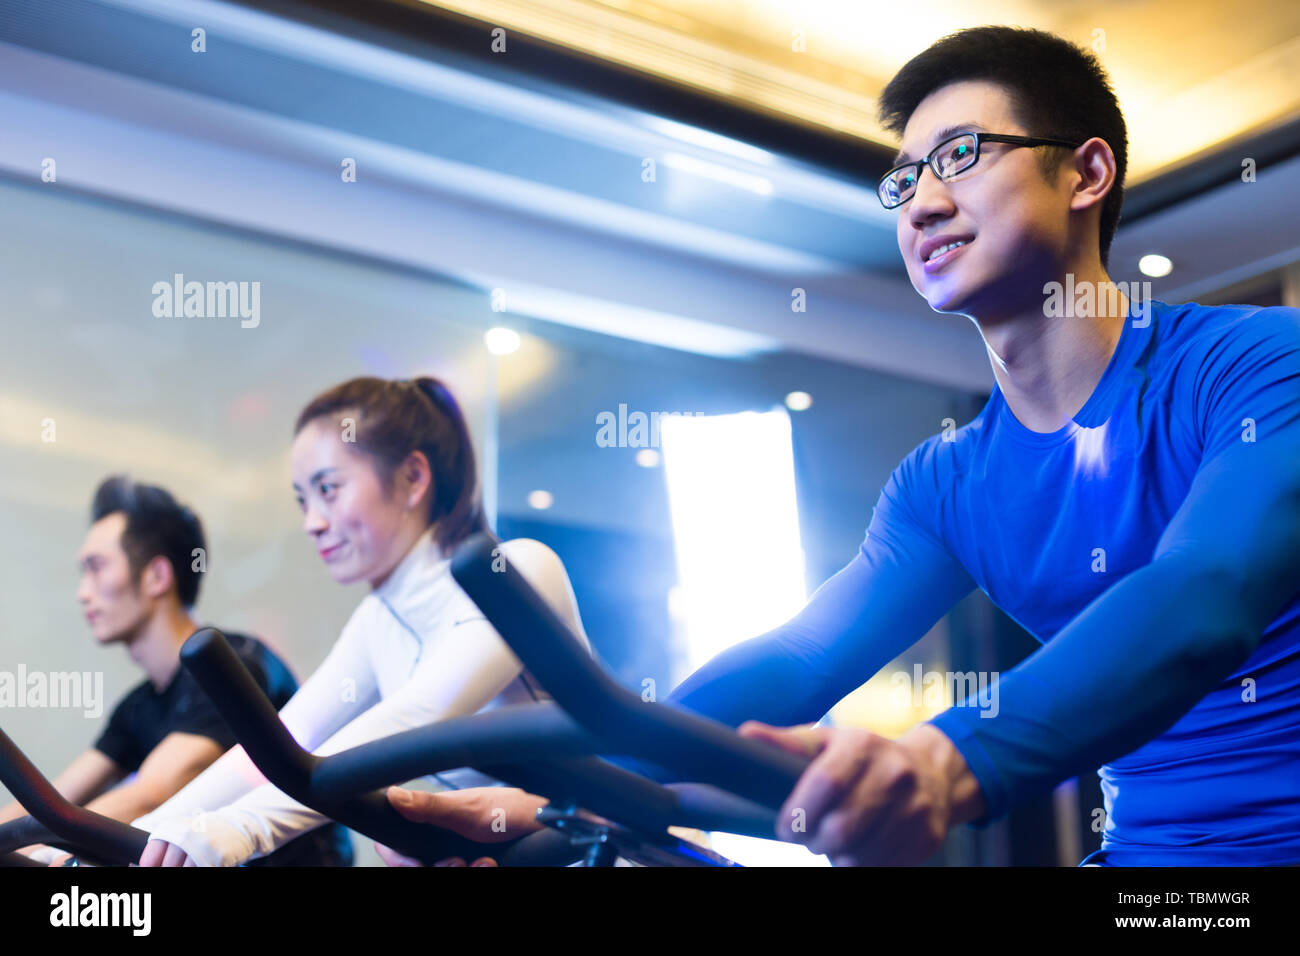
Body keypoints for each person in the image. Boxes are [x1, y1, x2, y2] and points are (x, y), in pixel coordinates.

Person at [374, 25, 1300, 867]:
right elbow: (800, 659)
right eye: (903, 181)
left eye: (962, 156)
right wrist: (556, 794)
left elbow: (1203, 593)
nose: (921, 204)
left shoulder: (1257, 367)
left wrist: (945, 763)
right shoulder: (947, 483)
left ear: (1086, 175)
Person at [134, 376, 588, 866]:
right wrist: (124, 837)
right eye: (303, 500)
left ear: (414, 478)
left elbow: (422, 714)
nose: (312, 521)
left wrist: (246, 826)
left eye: (328, 489)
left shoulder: (518, 568)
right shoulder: (379, 620)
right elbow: (283, 743)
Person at [0, 475, 351, 866]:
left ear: (157, 576)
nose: (83, 591)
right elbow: (50, 802)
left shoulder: (231, 667)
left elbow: (153, 793)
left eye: (96, 568)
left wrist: (49, 849)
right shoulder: (139, 706)